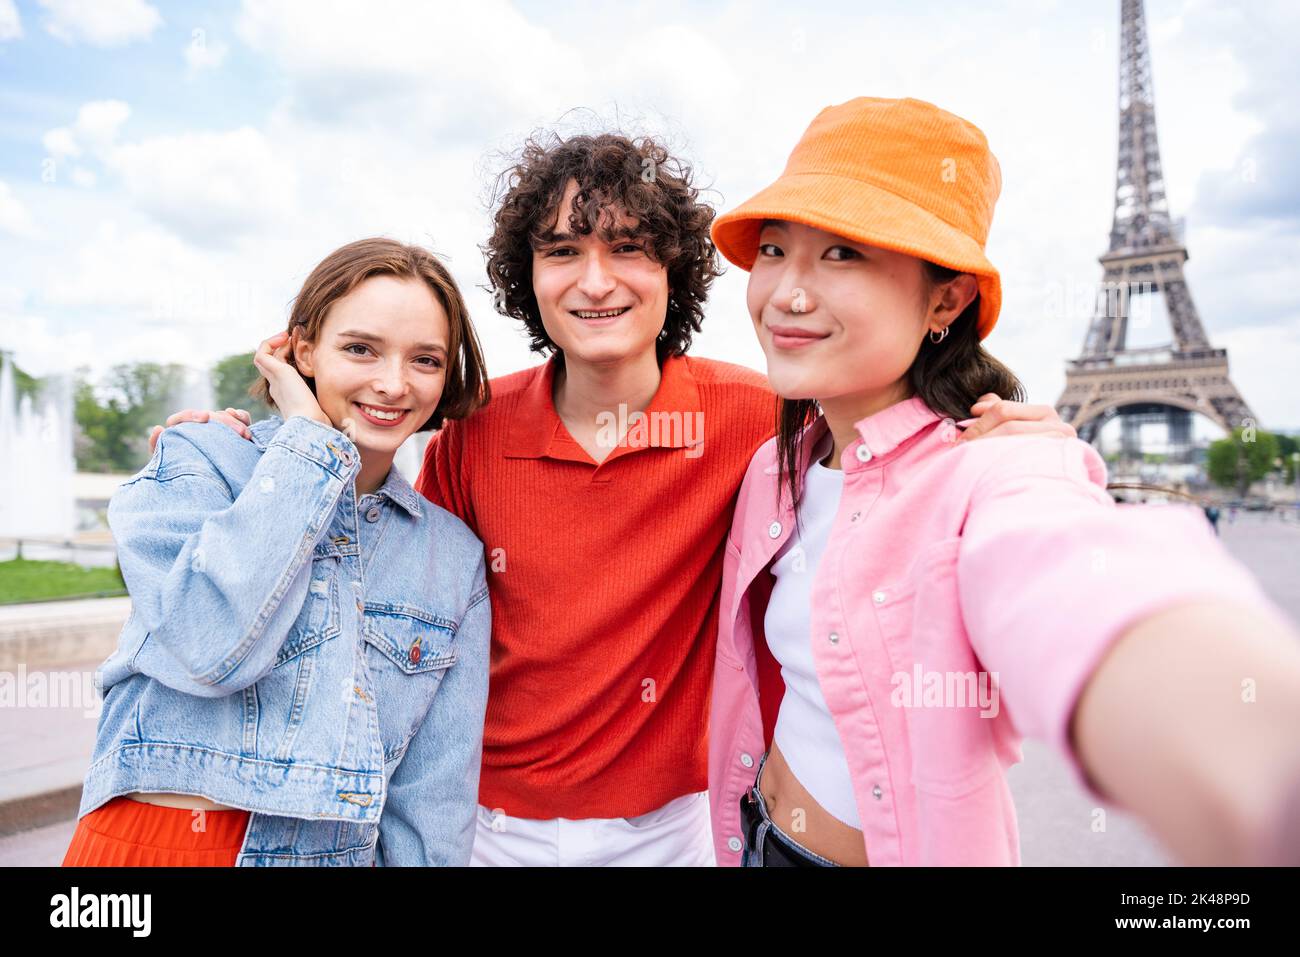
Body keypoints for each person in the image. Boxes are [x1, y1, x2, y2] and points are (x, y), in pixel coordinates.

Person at [150, 131, 1073, 866]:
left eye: (627, 248)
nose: (596, 280)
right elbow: (379, 552)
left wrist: (1000, 431)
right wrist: (255, 441)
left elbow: (890, 451)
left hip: (675, 829)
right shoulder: (472, 428)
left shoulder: (762, 416)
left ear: (673, 271)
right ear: (529, 279)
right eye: (562, 251)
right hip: (488, 826)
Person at [707, 96, 1300, 867]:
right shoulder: (774, 470)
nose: (785, 292)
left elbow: (1074, 580)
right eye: (776, 250)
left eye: (843, 253)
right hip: (752, 836)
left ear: (946, 299)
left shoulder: (995, 468)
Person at [65, 238, 492, 866]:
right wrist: (310, 447)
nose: (393, 383)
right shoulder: (198, 461)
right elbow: (211, 647)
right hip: (157, 848)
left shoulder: (451, 558)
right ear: (303, 349)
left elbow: (432, 803)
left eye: (425, 359)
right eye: (360, 348)